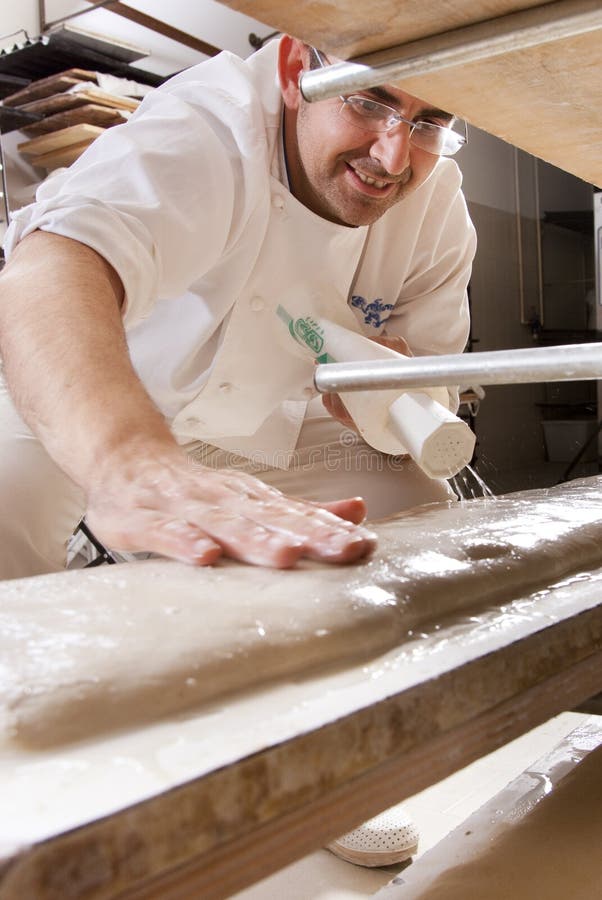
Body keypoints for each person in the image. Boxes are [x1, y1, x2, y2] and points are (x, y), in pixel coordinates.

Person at [0, 35, 475, 865]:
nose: (393, 156)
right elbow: (48, 271)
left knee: (413, 534)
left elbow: (434, 389)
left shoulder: (437, 208)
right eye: (368, 101)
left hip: (287, 417)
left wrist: (389, 390)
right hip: (98, 391)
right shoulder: (208, 128)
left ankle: (328, 761)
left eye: (430, 122)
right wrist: (130, 461)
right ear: (294, 73)